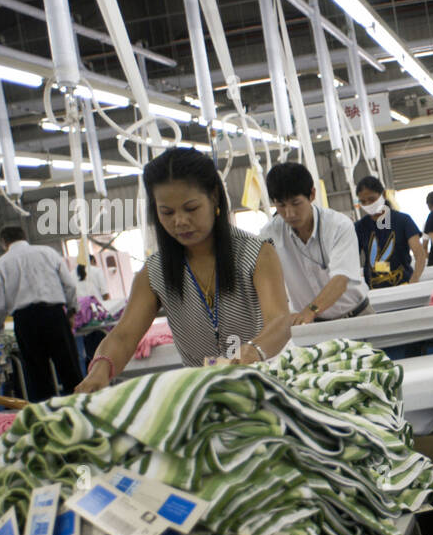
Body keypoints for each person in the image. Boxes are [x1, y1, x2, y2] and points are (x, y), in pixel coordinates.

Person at [75, 147, 292, 390]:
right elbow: (124, 336)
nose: (179, 221)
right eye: (166, 212)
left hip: (264, 383)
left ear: (214, 197)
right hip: (202, 392)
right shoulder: (154, 273)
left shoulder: (256, 253)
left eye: (191, 209)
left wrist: (251, 353)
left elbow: (280, 322)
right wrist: (98, 372)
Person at [260, 162, 370, 321]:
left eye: (296, 203)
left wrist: (310, 311)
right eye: (281, 205)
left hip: (357, 317)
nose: (289, 213)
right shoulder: (269, 235)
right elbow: (263, 280)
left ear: (311, 194)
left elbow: (341, 279)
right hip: (313, 325)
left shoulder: (338, 226)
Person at [0, 224, 82, 401]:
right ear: (25, 236)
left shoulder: (0, 265)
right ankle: (81, 408)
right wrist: (71, 311)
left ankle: (48, 417)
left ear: (4, 243)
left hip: (25, 321)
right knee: (69, 368)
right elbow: (70, 285)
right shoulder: (48, 253)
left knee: (38, 375)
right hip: (54, 316)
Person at [355, 175, 426, 288]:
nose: (368, 204)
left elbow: (420, 254)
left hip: (404, 284)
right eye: (363, 202)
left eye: (372, 199)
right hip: (374, 289)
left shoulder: (403, 220)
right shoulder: (359, 227)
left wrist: (415, 278)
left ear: (383, 195)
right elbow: (351, 259)